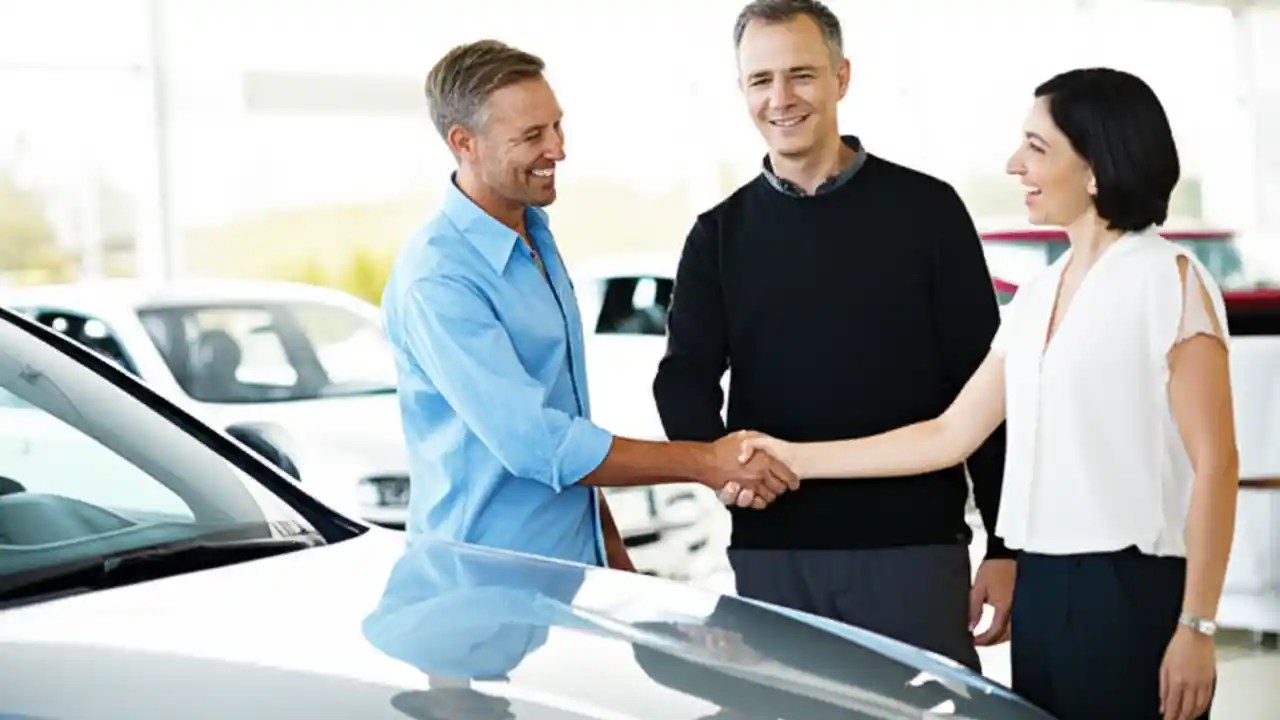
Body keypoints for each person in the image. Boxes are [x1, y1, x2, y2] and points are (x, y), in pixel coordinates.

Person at [739, 67, 1237, 720]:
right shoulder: (1037, 296)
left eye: (1036, 147)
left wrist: (1197, 626)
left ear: (1096, 167)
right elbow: (947, 434)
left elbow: (1218, 465)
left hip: (1132, 588)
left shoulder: (1169, 281)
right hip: (1044, 588)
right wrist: (790, 456)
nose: (1014, 164)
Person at [652, 0, 1014, 672]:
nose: (781, 99)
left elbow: (984, 385)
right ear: (742, 91)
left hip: (915, 549)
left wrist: (1004, 543)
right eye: (760, 81)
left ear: (842, 77)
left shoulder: (929, 212)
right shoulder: (718, 235)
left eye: (802, 75)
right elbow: (683, 379)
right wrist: (723, 471)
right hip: (774, 552)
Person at [380, 40, 798, 572]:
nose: (557, 149)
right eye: (532, 136)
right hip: (483, 581)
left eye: (556, 126)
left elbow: (569, 431)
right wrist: (706, 462)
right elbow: (539, 445)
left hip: (570, 572)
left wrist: (613, 555)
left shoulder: (535, 234)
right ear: (465, 143)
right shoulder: (438, 278)